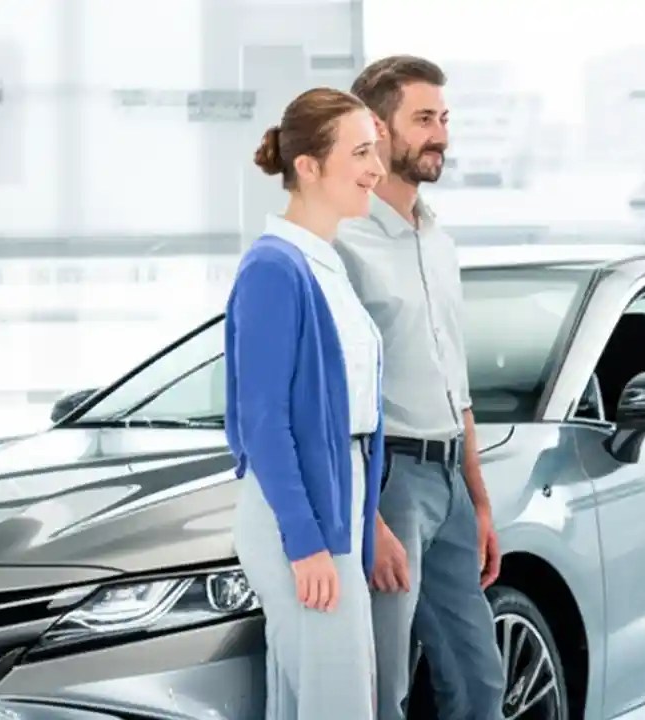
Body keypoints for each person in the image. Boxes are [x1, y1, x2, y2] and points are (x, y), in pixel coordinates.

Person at [337, 55, 506, 720]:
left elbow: (455, 384)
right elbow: (335, 399)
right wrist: (369, 519)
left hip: (450, 482)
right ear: (376, 127)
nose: (440, 135)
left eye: (444, 119)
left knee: (478, 680)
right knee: (384, 688)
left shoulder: (438, 240)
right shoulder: (343, 243)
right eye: (424, 119)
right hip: (391, 482)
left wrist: (481, 500)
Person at [224, 87, 387, 719]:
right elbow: (264, 422)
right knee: (337, 703)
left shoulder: (326, 264)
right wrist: (305, 542)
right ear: (309, 167)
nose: (376, 167)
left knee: (315, 702)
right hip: (299, 514)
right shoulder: (275, 268)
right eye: (361, 152)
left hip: (331, 505)